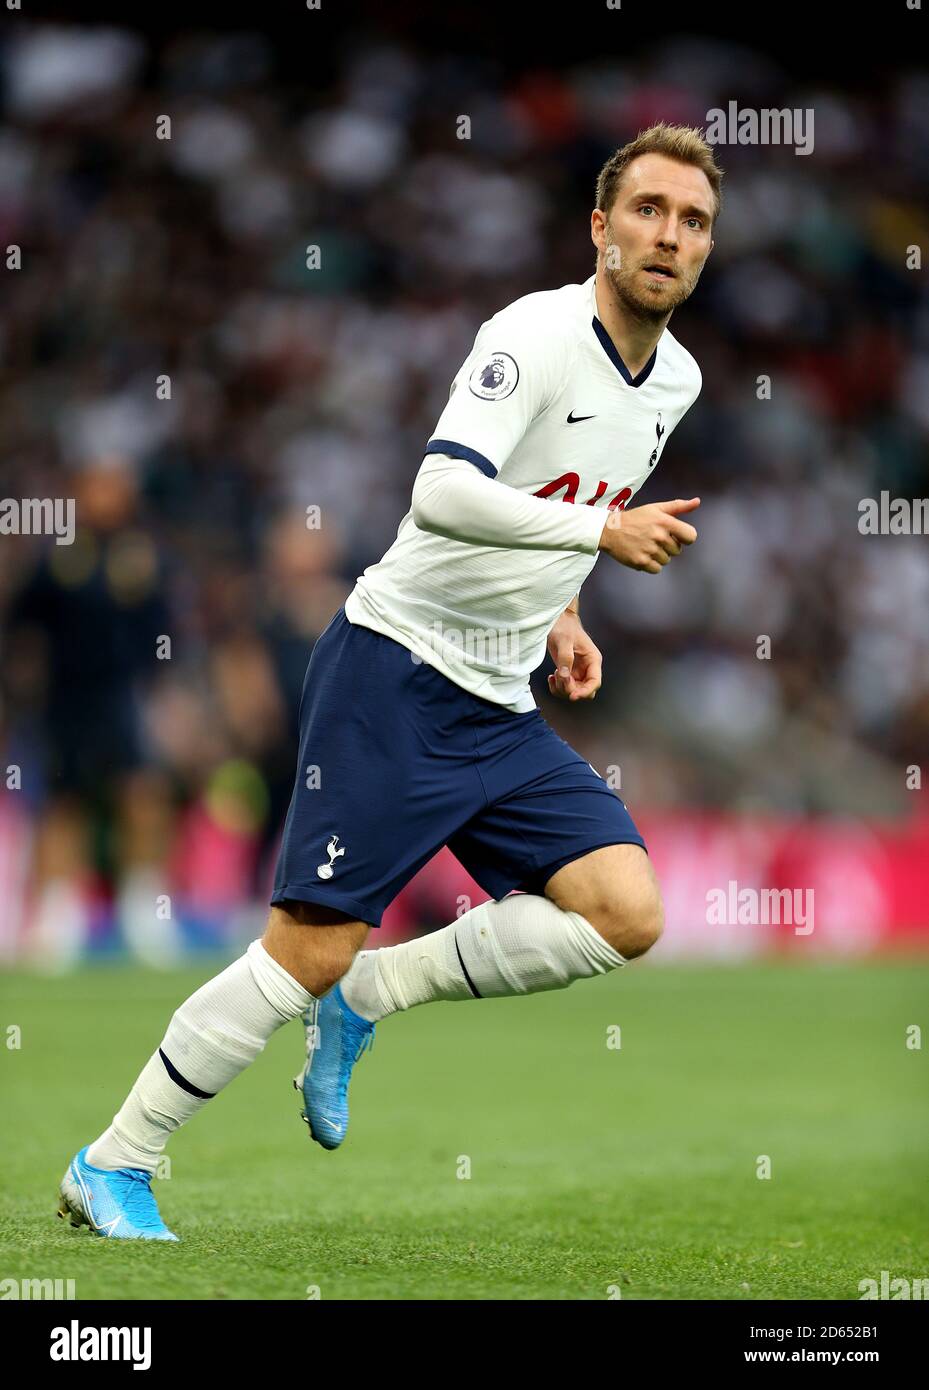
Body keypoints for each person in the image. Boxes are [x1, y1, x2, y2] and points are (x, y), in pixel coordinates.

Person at [58, 122, 720, 1240]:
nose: (669, 235)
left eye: (692, 220)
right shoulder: (532, 334)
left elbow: (543, 498)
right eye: (647, 211)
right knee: (307, 946)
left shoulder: (680, 381)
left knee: (623, 911)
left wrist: (561, 604)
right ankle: (115, 1160)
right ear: (600, 229)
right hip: (394, 670)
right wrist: (599, 533)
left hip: (498, 699)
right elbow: (443, 493)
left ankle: (372, 996)